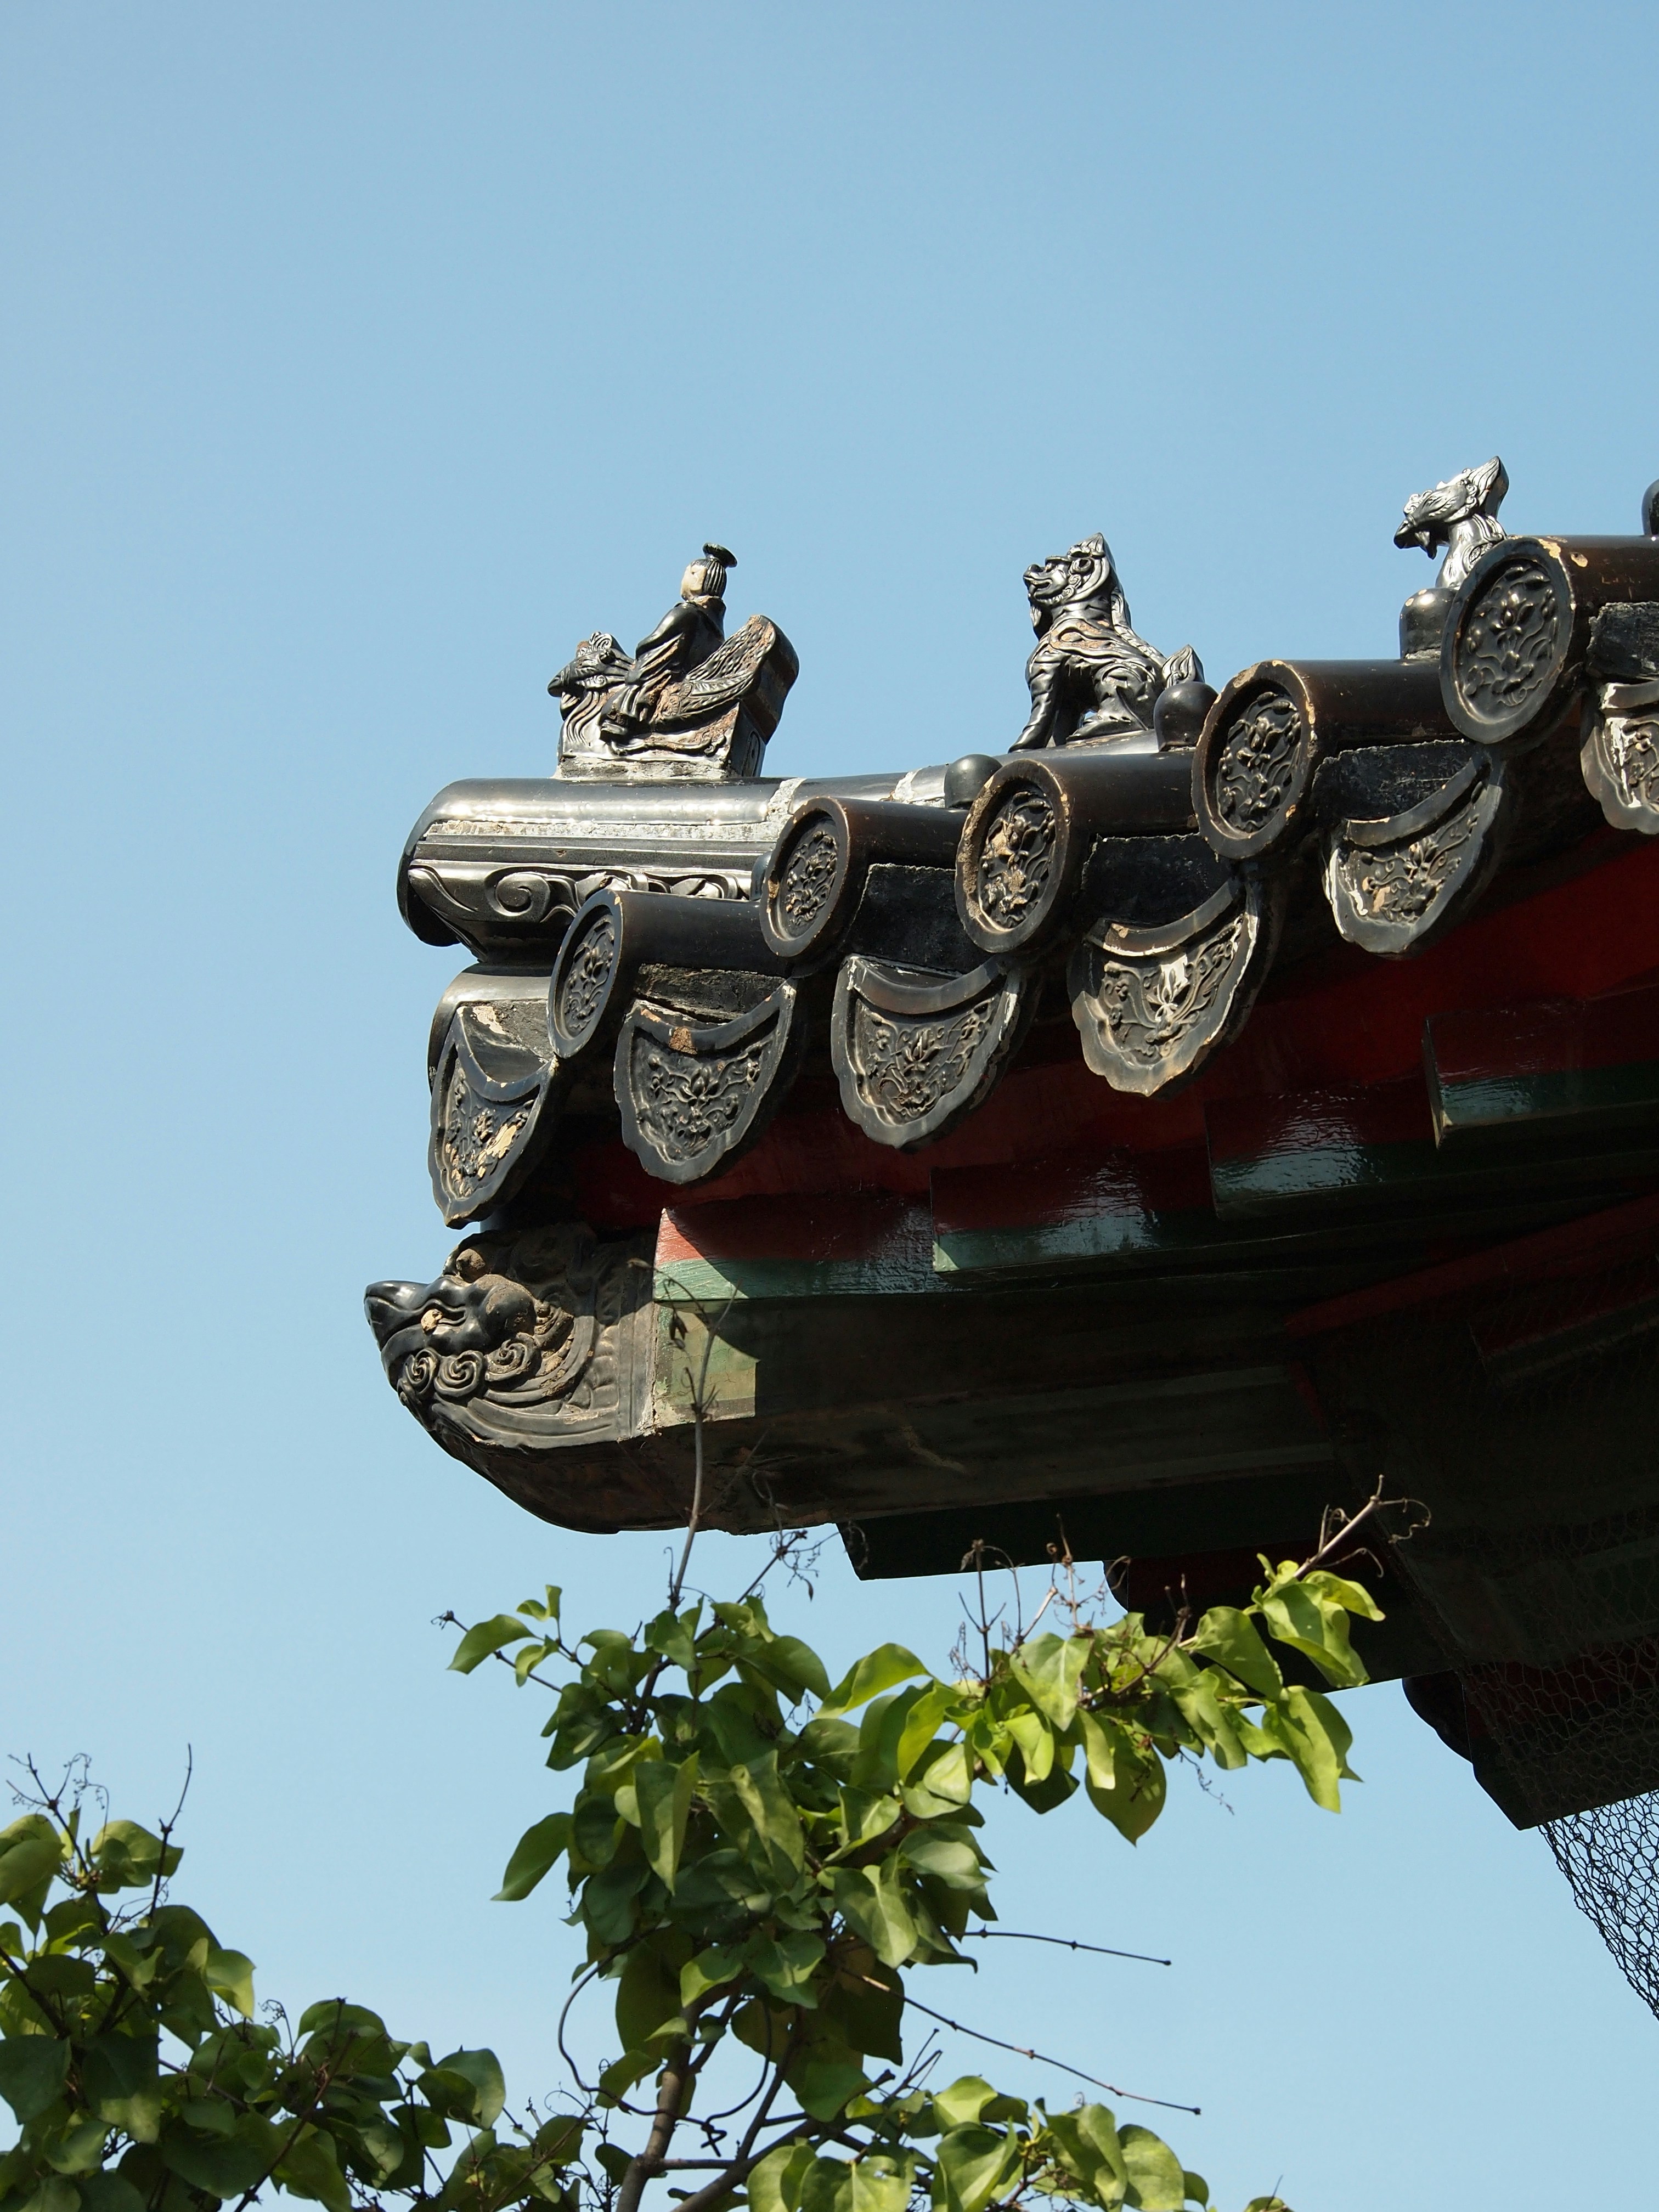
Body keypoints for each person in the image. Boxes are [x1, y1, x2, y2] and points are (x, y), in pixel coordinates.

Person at [600, 543, 735, 740]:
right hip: (689, 674)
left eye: (690, 573)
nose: (683, 579)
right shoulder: (716, 628)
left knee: (624, 697)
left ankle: (621, 724)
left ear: (698, 581)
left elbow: (656, 639)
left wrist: (641, 648)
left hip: (667, 673)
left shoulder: (686, 612)